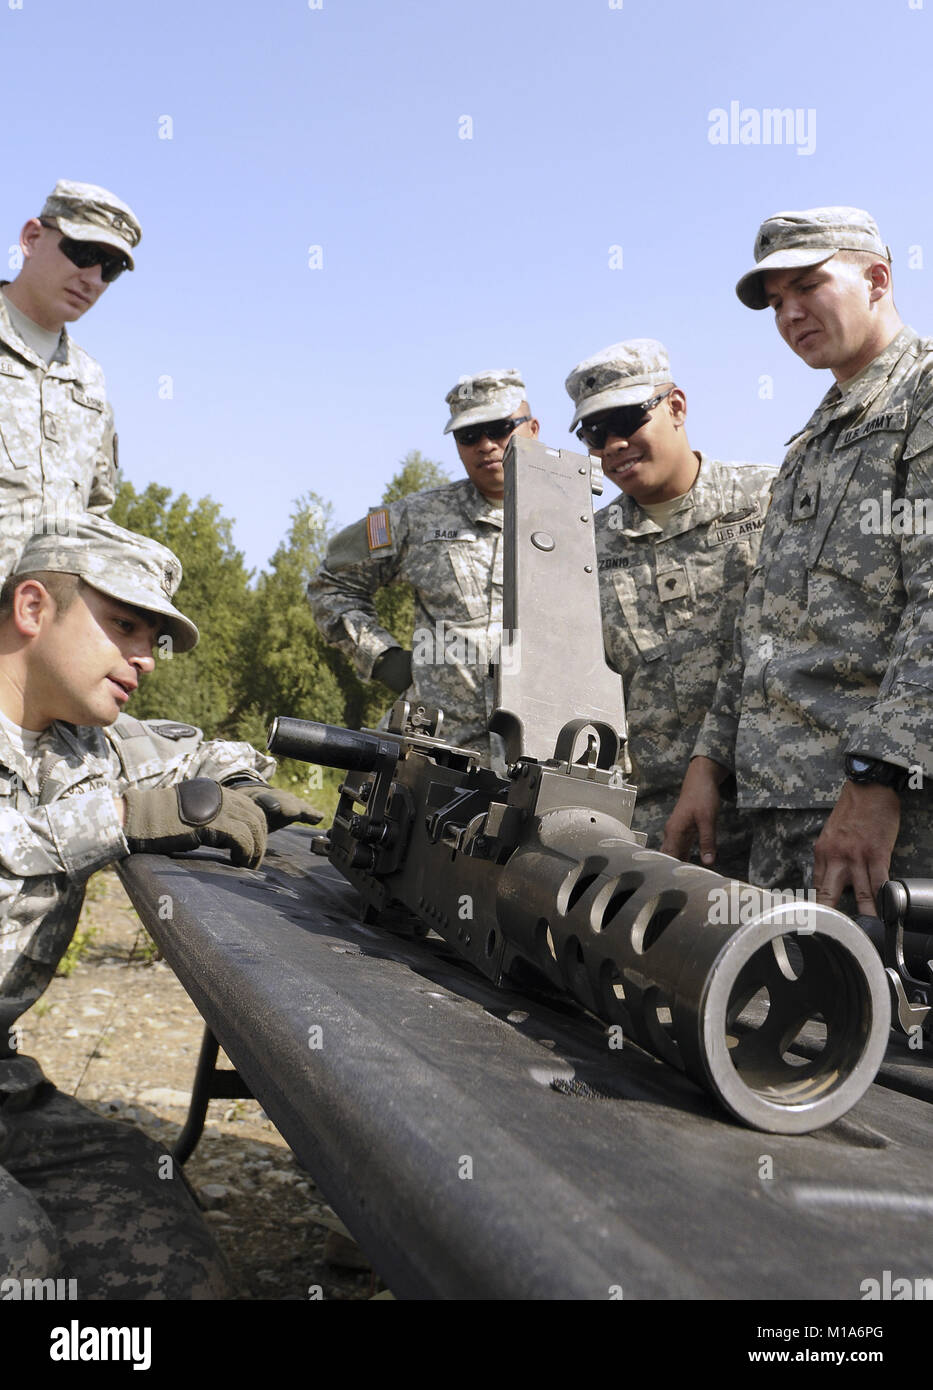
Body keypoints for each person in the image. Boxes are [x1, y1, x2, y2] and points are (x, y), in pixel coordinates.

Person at [0, 513, 320, 1298]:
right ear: (34, 609)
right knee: (23, 1262)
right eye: (124, 626)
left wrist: (233, 788)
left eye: (154, 637)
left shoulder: (83, 743)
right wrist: (116, 821)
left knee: (169, 1252)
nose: (146, 658)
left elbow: (201, 754)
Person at [662, 207, 933, 915]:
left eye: (807, 286)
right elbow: (758, 628)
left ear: (875, 279)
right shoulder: (807, 447)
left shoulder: (922, 399)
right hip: (780, 810)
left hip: (882, 818)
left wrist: (876, 778)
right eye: (776, 302)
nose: (789, 314)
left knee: (883, 1017)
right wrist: (706, 767)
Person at [565, 339, 775, 875]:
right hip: (663, 835)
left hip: (776, 813)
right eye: (594, 432)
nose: (612, 445)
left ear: (676, 407)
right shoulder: (586, 546)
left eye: (626, 420)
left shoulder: (770, 498)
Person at [308, 369, 539, 760]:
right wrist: (383, 659)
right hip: (434, 755)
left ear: (532, 428)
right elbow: (330, 586)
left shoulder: (578, 524)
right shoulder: (415, 518)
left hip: (538, 761)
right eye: (469, 436)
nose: (485, 445)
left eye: (499, 429)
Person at [0, 180, 141, 578]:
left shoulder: (90, 382)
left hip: (39, 627)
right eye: (84, 253)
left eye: (110, 268)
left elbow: (96, 513)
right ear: (31, 238)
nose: (94, 278)